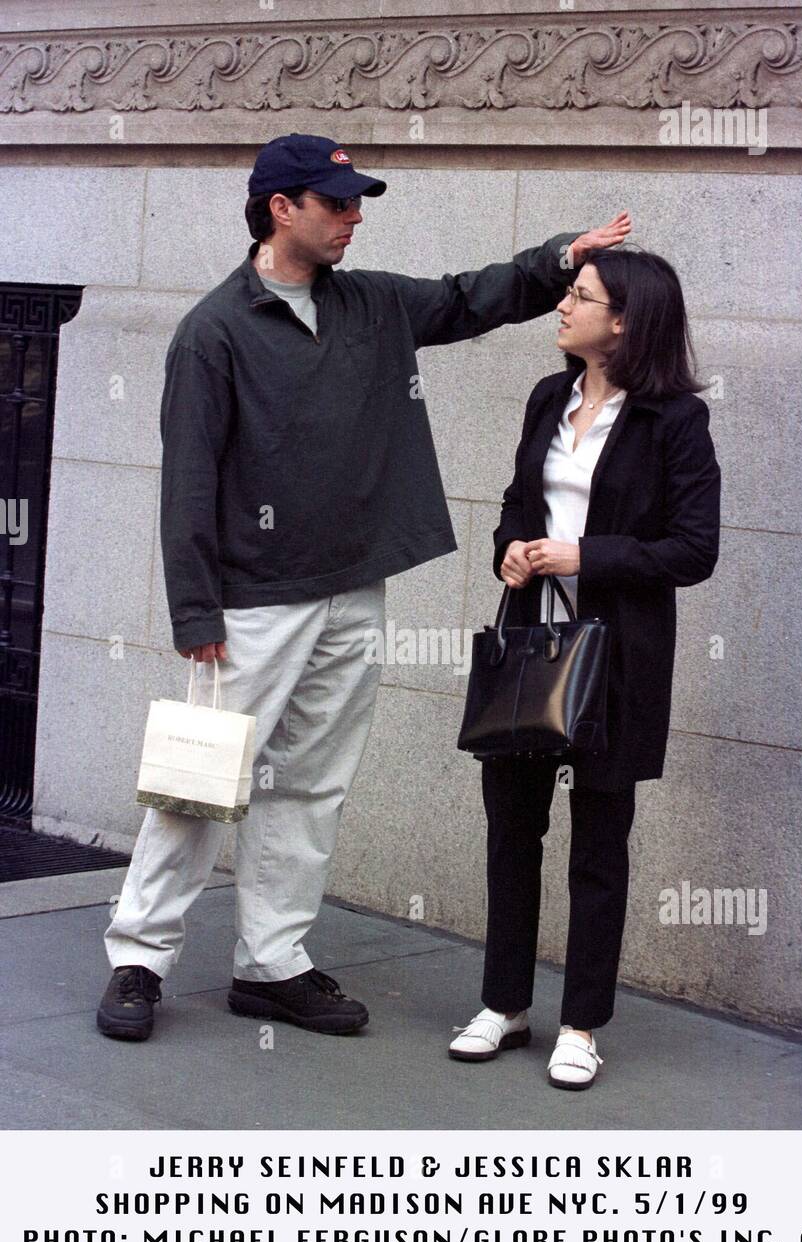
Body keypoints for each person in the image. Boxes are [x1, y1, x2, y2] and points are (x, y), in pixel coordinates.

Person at [97, 130, 632, 1042]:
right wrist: (195, 608)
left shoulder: (373, 305)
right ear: (281, 209)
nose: (353, 219)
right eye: (336, 203)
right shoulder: (213, 331)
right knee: (201, 782)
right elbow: (187, 477)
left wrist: (559, 261)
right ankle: (140, 959)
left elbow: (468, 300)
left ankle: (271, 964)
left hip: (353, 587)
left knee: (309, 783)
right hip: (251, 602)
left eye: (357, 204)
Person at [448, 246, 721, 1089]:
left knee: (600, 843)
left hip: (619, 659)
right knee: (511, 830)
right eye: (568, 292)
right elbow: (515, 503)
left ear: (626, 321)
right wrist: (511, 553)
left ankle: (581, 1023)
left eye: (581, 295)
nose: (563, 306)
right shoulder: (547, 397)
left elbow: (692, 548)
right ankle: (505, 1004)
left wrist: (579, 555)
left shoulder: (672, 419)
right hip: (533, 647)